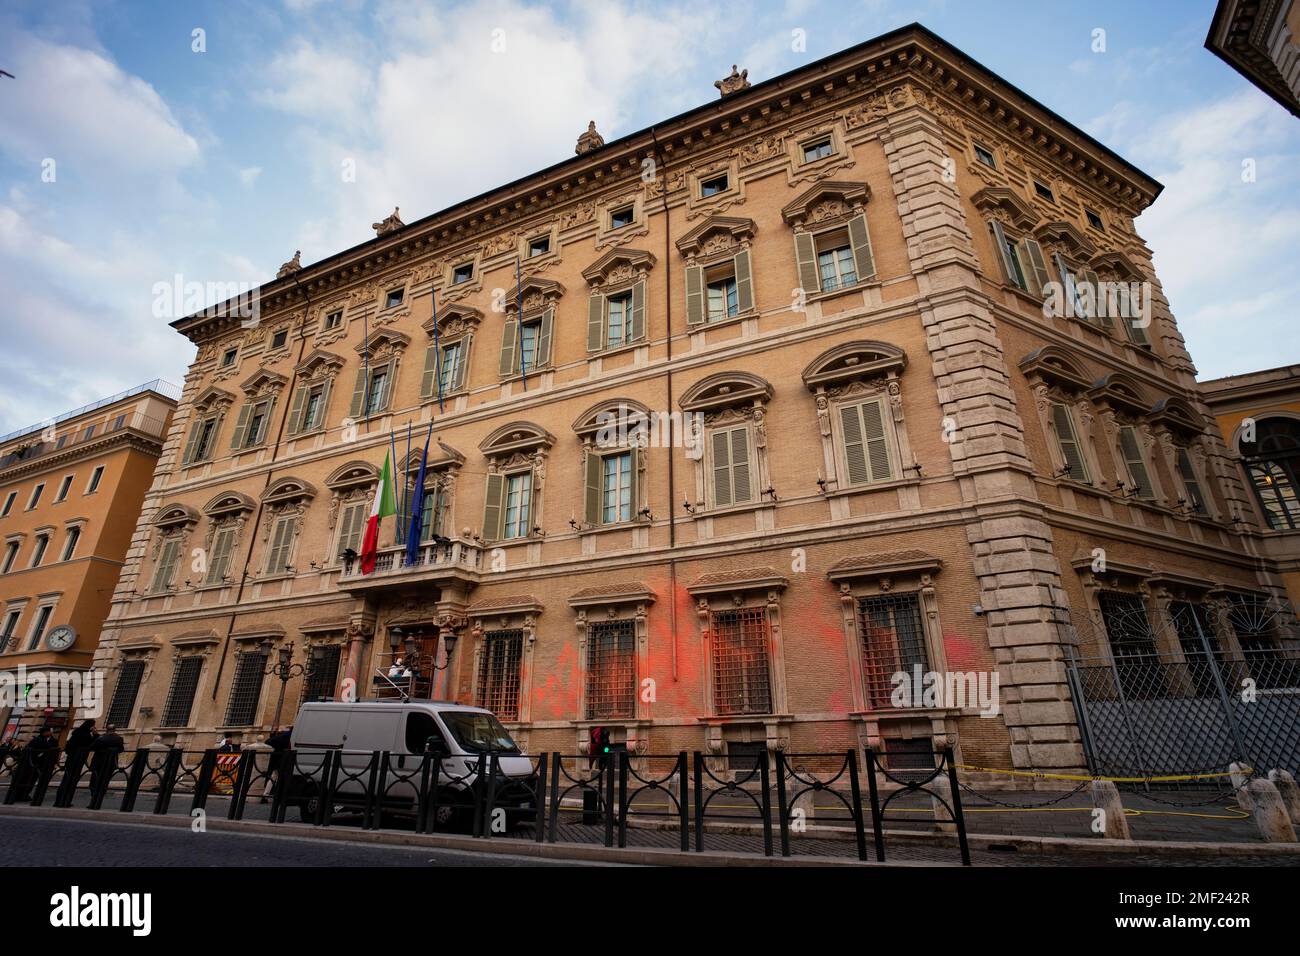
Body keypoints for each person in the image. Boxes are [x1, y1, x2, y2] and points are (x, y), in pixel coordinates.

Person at [88, 724, 125, 796]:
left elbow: (92, 747)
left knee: (95, 777)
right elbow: (121, 749)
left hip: (99, 761)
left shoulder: (101, 738)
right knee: (106, 777)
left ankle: (93, 792)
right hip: (111, 762)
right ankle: (102, 792)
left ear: (106, 729)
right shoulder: (119, 738)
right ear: (114, 730)